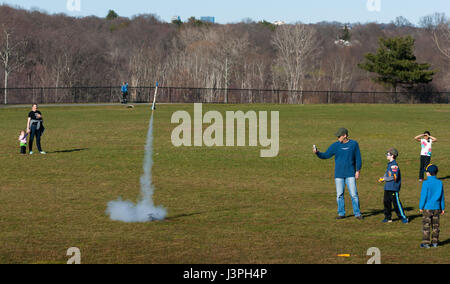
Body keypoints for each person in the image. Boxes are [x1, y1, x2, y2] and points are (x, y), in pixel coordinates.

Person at [313, 128, 363, 220]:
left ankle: (357, 213)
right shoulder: (335, 146)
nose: (338, 138)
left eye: (339, 136)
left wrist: (357, 171)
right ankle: (341, 213)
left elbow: (358, 158)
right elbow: (326, 155)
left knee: (354, 194)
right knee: (339, 195)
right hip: (339, 175)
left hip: (350, 174)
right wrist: (317, 153)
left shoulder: (354, 144)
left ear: (345, 135)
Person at [378, 148, 408, 223]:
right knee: (386, 202)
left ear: (392, 155)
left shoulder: (394, 165)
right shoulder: (389, 164)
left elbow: (394, 177)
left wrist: (384, 179)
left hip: (393, 188)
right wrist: (383, 177)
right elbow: (388, 174)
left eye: (388, 154)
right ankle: (388, 217)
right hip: (387, 187)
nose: (386, 155)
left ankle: (403, 217)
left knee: (396, 203)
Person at [419, 165, 445, 248]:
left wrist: (421, 206)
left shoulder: (426, 183)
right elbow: (442, 197)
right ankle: (435, 242)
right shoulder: (440, 182)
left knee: (426, 225)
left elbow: (424, 196)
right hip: (437, 208)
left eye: (426, 171)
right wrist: (443, 208)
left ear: (429, 173)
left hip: (427, 208)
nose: (426, 173)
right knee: (435, 226)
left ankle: (426, 243)